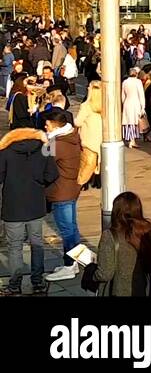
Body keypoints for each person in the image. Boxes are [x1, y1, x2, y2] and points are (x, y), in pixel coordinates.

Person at [0, 127, 59, 296]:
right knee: (37, 243)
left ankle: (14, 284)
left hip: (13, 205)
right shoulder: (45, 147)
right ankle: (38, 281)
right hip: (35, 203)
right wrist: (39, 183)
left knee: (15, 247)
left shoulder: (6, 151)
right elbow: (53, 174)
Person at [42, 109, 84, 283]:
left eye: (46, 124)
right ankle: (74, 262)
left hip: (61, 191)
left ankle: (69, 266)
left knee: (67, 230)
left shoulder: (55, 143)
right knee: (72, 228)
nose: (44, 126)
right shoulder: (71, 136)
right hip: (71, 188)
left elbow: (42, 163)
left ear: (53, 124)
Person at [94, 192, 151, 296]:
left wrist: (92, 274)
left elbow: (105, 273)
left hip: (117, 290)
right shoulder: (148, 231)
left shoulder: (110, 235)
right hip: (143, 288)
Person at [121, 67, 146, 149]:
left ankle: (130, 140)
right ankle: (133, 141)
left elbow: (123, 95)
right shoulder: (138, 82)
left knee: (129, 122)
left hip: (127, 103)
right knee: (135, 122)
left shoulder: (125, 82)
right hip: (136, 103)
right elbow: (141, 95)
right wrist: (143, 106)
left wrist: (123, 103)